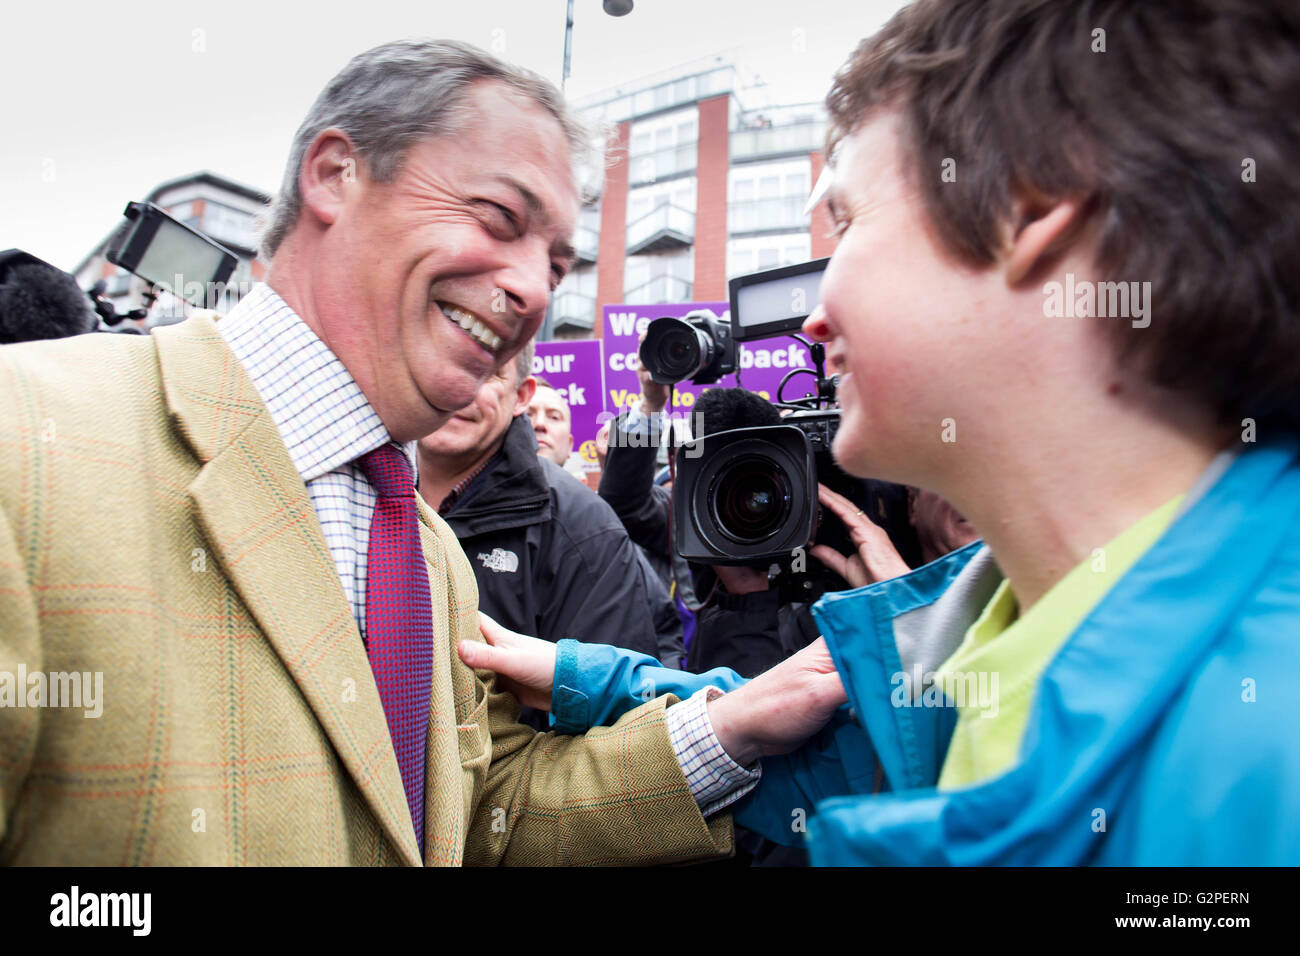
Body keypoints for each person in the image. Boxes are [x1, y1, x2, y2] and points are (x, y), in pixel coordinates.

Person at [460, 0, 1300, 865]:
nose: (816, 318)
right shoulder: (972, 631)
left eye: (850, 222)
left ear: (1030, 215)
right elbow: (809, 728)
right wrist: (580, 675)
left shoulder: (1260, 748)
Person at [0, 39, 846, 866]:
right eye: (498, 218)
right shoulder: (29, 439)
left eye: (556, 262)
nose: (534, 291)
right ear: (336, 174)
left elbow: (479, 814)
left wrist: (725, 727)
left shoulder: (430, 553)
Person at [415, 341, 680, 728]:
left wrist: (650, 407)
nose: (457, 385)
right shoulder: (364, 493)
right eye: (440, 357)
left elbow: (617, 715)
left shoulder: (588, 528)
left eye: (487, 373)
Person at [526, 375, 586, 480]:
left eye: (554, 417)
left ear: (569, 445)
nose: (540, 423)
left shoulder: (587, 496)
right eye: (527, 415)